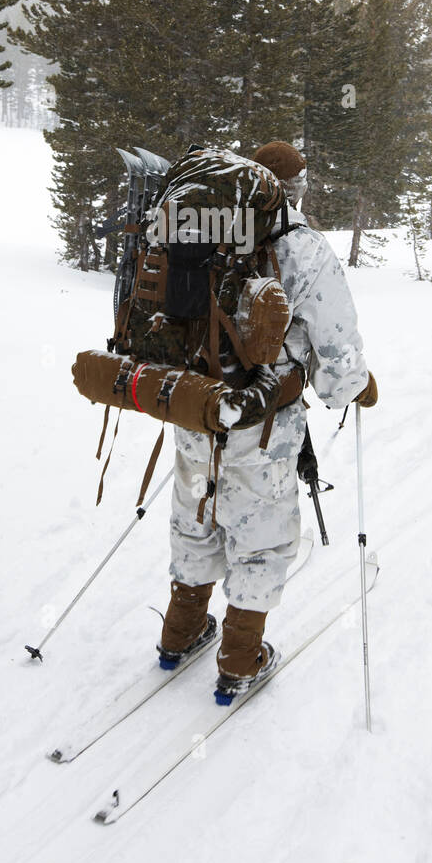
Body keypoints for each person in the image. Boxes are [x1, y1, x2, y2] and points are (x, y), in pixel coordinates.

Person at [158, 140, 378, 698]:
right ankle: (239, 659)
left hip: (194, 406)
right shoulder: (304, 250)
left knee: (197, 513)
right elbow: (337, 350)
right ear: (295, 190)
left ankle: (179, 633)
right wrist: (356, 388)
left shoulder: (204, 232)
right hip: (262, 424)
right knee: (260, 537)